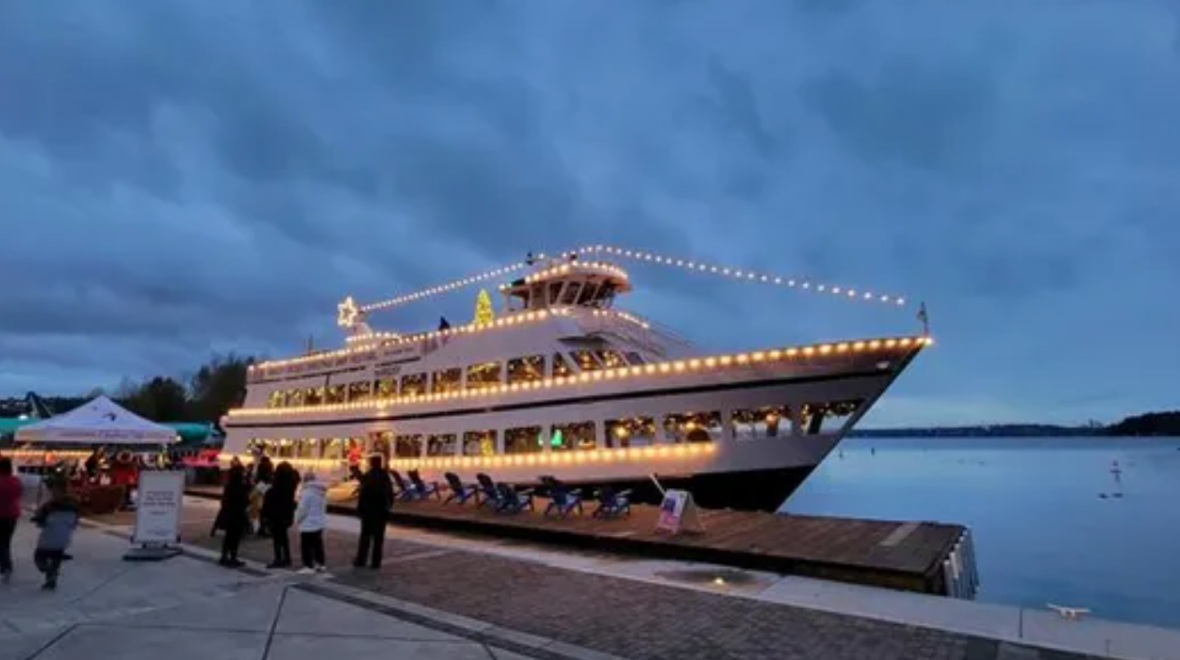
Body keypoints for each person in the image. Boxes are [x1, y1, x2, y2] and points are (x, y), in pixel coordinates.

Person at [31, 484, 79, 591]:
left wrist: (37, 519)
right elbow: (74, 523)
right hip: (63, 539)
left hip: (47, 539)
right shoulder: (74, 507)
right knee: (56, 558)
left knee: (39, 557)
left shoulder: (48, 507)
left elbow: (40, 522)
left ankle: (49, 572)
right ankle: (51, 580)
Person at [353, 455, 393, 569]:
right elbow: (390, 495)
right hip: (381, 513)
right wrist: (388, 507)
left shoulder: (370, 475)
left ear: (371, 463)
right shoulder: (384, 476)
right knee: (378, 539)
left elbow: (363, 488)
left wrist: (355, 470)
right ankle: (376, 562)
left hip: (368, 512)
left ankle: (361, 560)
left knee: (365, 538)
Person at [262, 462, 298, 569]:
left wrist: (265, 515)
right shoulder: (291, 484)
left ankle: (278, 558)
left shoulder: (276, 485)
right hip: (286, 514)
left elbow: (269, 499)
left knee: (277, 538)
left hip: (276, 515)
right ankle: (287, 558)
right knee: (284, 537)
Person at [217, 464, 250, 568]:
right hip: (238, 515)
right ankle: (233, 558)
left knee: (228, 537)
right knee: (235, 538)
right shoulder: (241, 486)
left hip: (229, 515)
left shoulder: (229, 485)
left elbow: (224, 501)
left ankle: (224, 557)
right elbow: (246, 501)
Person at [296, 471, 328, 574]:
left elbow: (302, 510)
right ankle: (321, 564)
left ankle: (308, 566)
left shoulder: (306, 493)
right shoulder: (321, 492)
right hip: (318, 523)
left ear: (305, 480)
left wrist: (297, 520)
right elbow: (324, 508)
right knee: (318, 544)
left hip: (308, 524)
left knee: (306, 546)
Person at [0, 457, 22, 585]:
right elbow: (18, 495)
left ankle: (6, 566)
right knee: (5, 541)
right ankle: (6, 564)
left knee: (1, 543)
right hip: (12, 515)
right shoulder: (16, 481)